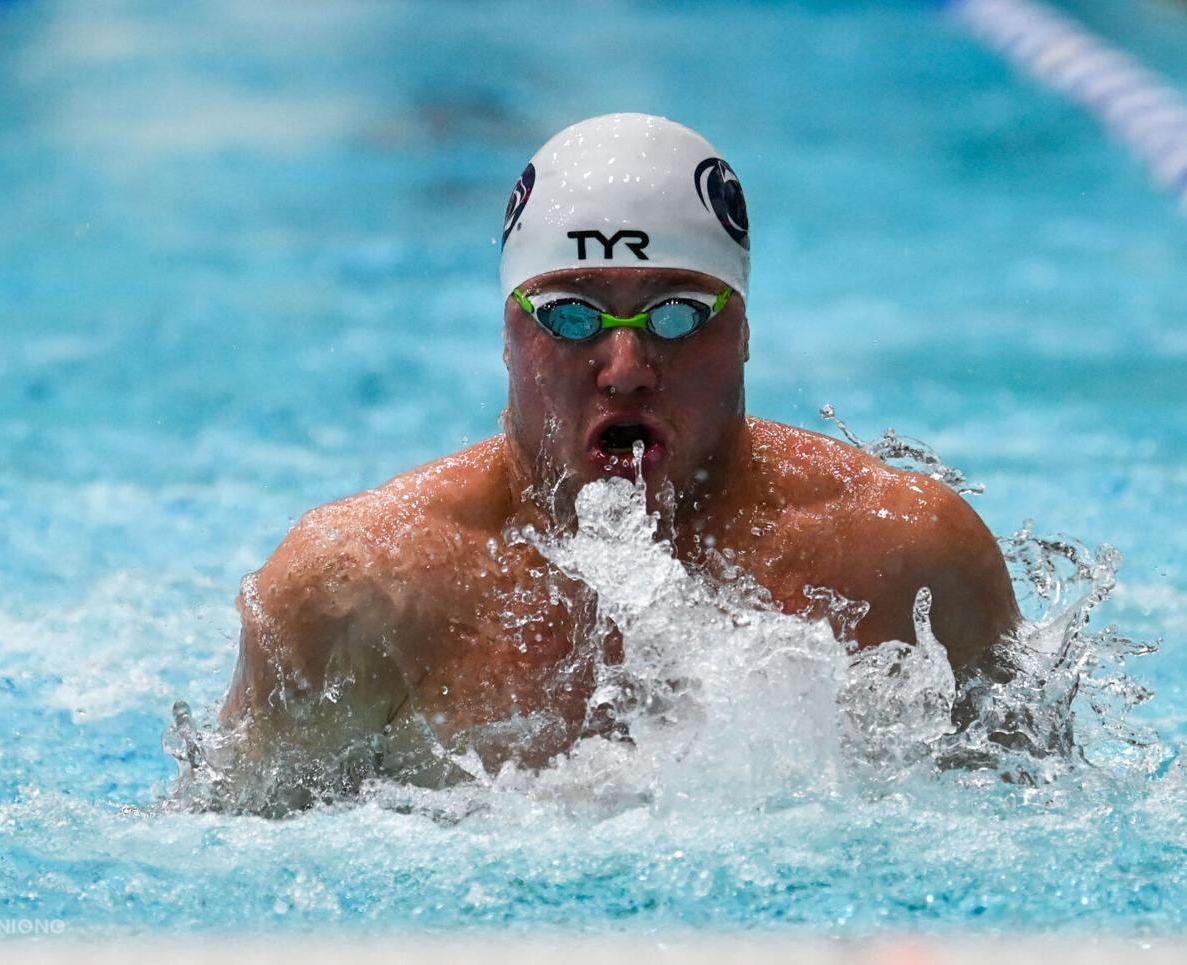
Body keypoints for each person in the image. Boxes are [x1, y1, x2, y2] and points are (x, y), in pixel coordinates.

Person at [219, 112, 1019, 797]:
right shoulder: (358, 591)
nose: (626, 370)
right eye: (570, 314)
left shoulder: (908, 561)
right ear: (508, 335)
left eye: (678, 314)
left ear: (743, 330)